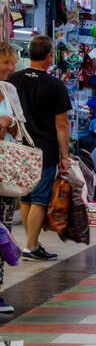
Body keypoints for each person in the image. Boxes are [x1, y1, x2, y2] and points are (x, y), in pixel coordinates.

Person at [10, 35, 71, 262]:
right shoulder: (54, 85)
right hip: (44, 149)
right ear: (49, 57)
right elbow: (62, 125)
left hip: (18, 148)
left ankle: (30, 243)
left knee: (25, 197)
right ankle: (31, 245)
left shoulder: (14, 80)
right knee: (39, 199)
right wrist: (65, 156)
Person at [0, 40, 24, 313]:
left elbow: (20, 129)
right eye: (6, 62)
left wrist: (11, 124)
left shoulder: (9, 90)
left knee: (3, 233)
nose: (11, 67)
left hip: (5, 173)